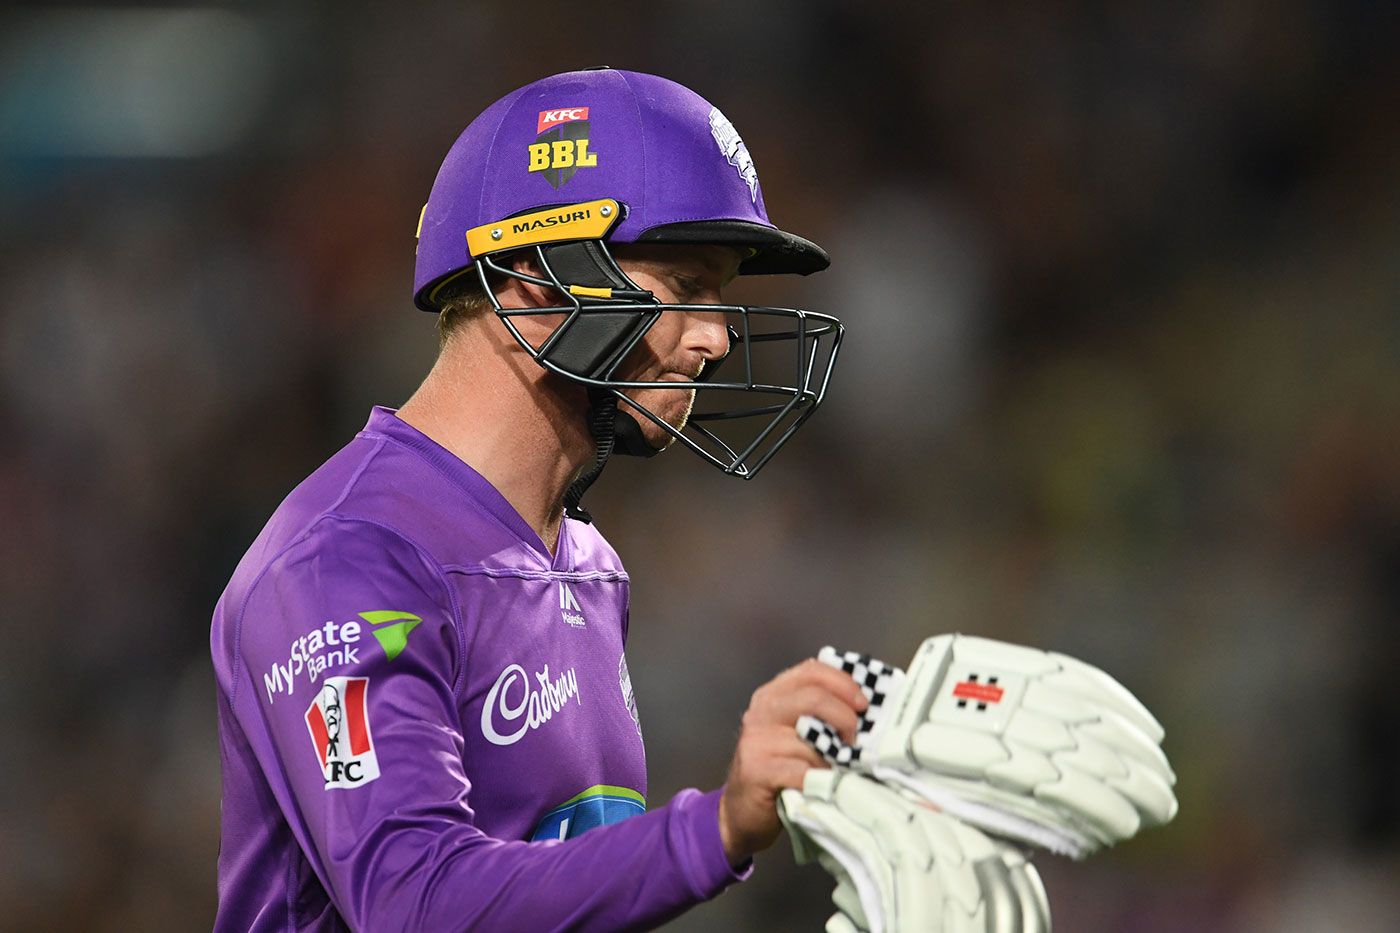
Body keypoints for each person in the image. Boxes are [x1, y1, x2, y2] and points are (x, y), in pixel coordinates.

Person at [211, 67, 856, 930]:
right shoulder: (346, 557)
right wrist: (716, 827)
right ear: (534, 275)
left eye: (724, 293)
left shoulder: (588, 562)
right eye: (683, 287)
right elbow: (417, 904)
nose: (714, 335)